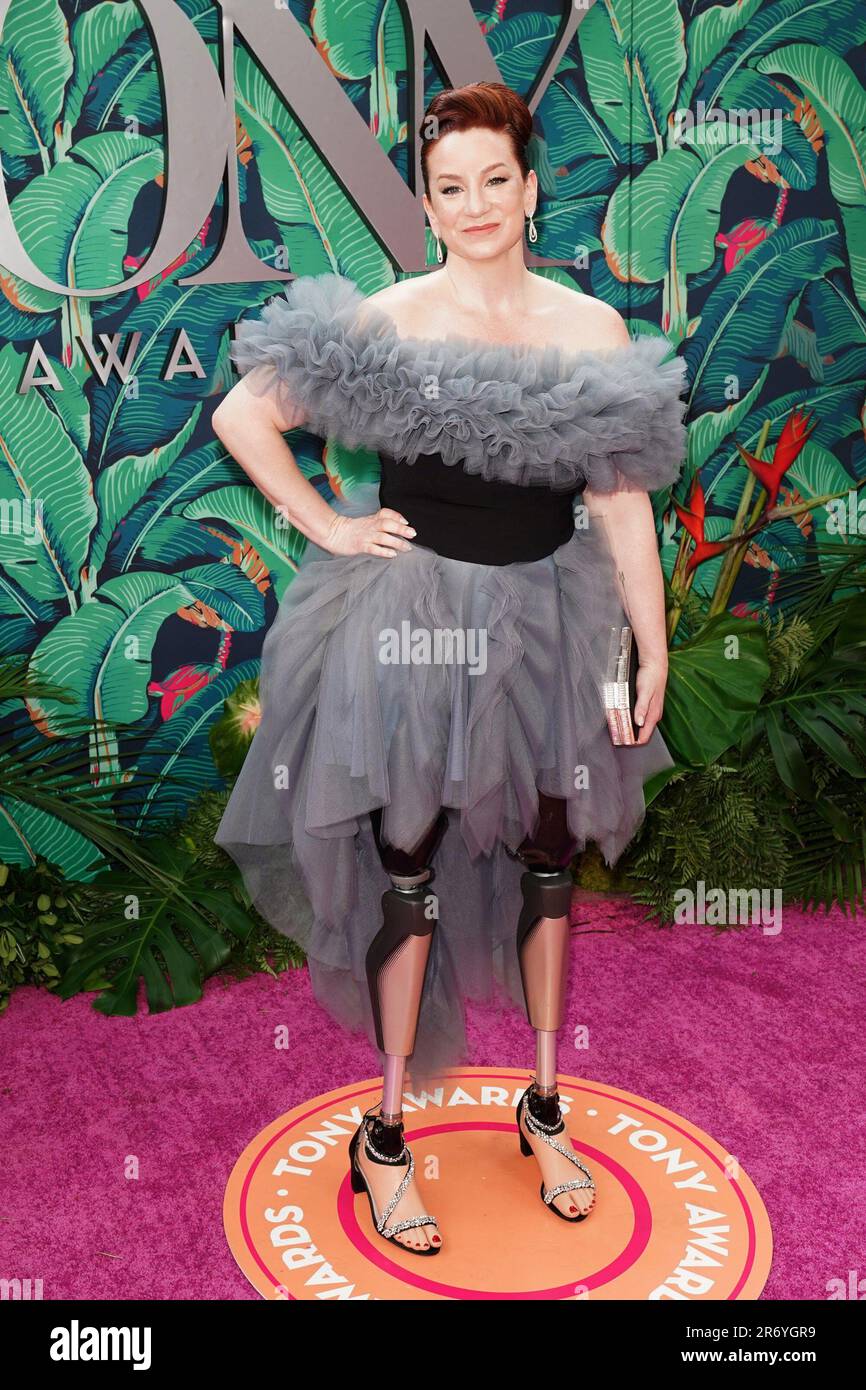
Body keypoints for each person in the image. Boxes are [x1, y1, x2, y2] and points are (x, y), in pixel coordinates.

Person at [212, 81, 687, 1255]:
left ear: (529, 188)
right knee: (405, 870)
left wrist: (648, 643)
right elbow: (242, 414)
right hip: (410, 626)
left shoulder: (590, 331)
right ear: (427, 207)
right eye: (447, 187)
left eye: (493, 180)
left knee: (548, 863)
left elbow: (620, 506)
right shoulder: (390, 318)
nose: (473, 205)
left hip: (553, 626)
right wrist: (325, 524)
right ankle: (384, 1135)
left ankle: (540, 1103)